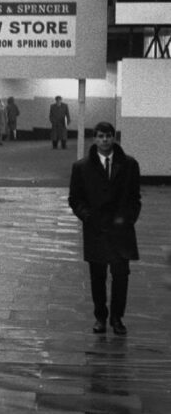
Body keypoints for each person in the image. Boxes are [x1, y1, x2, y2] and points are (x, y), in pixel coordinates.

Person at [68, 121, 140, 335]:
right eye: (100, 136)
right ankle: (100, 316)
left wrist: (128, 219)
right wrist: (88, 217)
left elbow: (135, 198)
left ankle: (117, 318)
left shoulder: (129, 165)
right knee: (97, 277)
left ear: (114, 137)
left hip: (121, 230)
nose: (105, 140)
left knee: (120, 276)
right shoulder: (81, 167)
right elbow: (75, 199)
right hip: (96, 229)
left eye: (108, 136)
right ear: (94, 139)